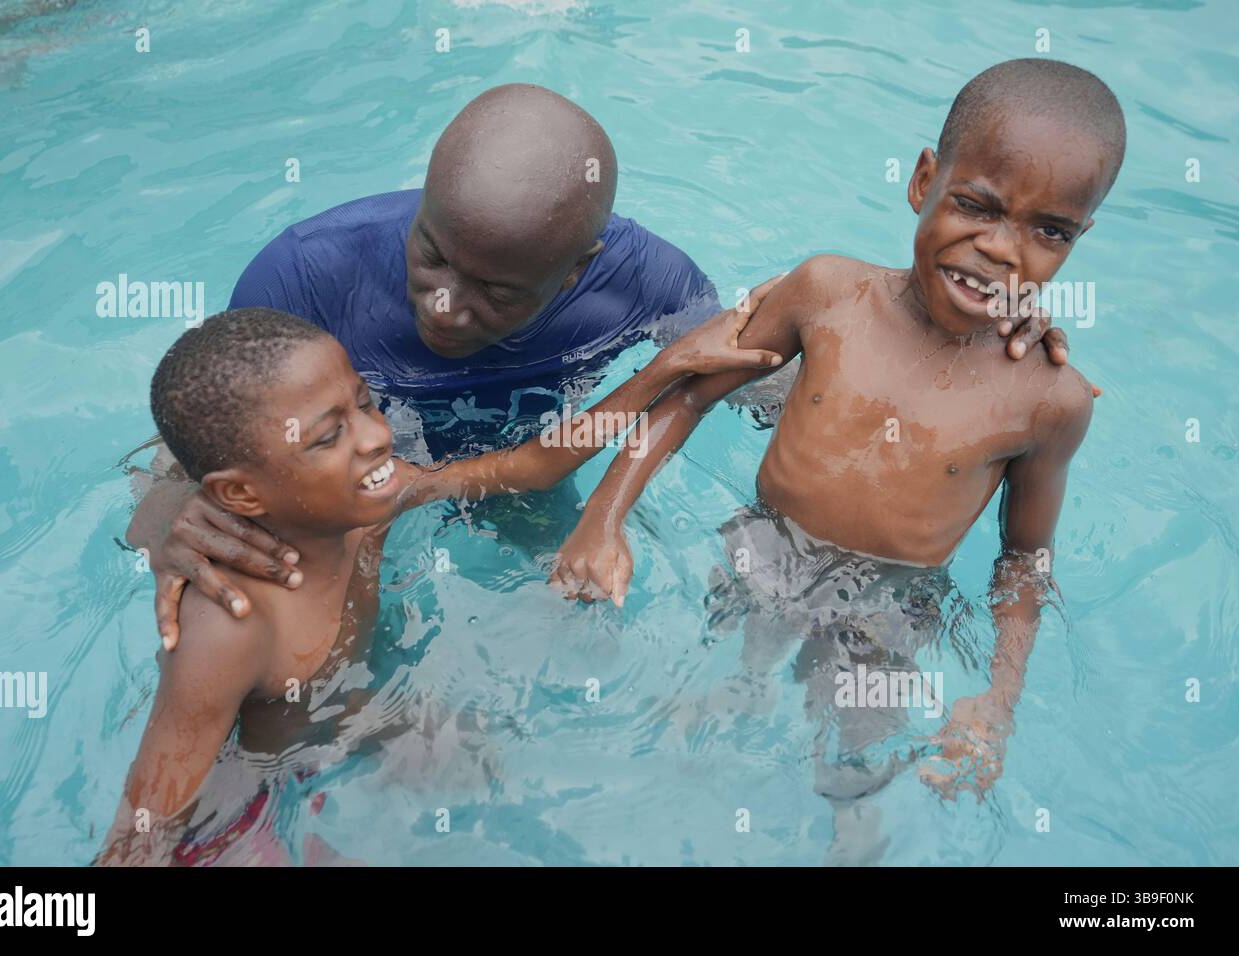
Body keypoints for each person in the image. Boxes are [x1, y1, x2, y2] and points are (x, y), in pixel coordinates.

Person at [130, 82, 1066, 649]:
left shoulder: (645, 282)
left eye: (497, 291)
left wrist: (979, 324)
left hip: (527, 461)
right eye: (431, 256)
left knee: (560, 629)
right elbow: (201, 435)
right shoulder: (306, 270)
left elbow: (788, 393)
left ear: (582, 270)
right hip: (352, 491)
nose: (446, 305)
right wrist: (168, 517)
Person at [550, 59, 1124, 831]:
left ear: (1079, 240)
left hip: (892, 603)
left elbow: (1025, 560)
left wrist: (997, 701)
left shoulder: (1048, 400)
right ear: (923, 180)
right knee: (703, 705)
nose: (1002, 250)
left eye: (1048, 231)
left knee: (857, 771)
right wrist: (604, 517)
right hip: (764, 547)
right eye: (975, 207)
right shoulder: (826, 293)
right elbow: (692, 391)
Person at [99, 301, 780, 864]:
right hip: (237, 800)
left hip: (362, 713)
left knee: (479, 760)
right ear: (242, 495)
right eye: (326, 437)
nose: (373, 438)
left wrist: (667, 366)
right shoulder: (233, 621)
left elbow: (531, 467)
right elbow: (144, 830)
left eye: (364, 405)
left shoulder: (369, 506)